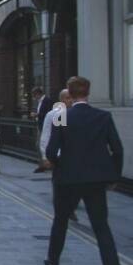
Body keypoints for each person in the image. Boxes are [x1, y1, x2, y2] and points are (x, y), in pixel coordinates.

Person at [44, 76, 124, 265]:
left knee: (61, 220)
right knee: (101, 225)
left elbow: (51, 151)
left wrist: (60, 164)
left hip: (67, 178)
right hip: (96, 180)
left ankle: (53, 259)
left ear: (69, 92)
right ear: (88, 92)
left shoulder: (62, 117)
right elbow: (117, 149)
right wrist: (114, 177)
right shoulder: (103, 117)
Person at [39, 89, 77, 221]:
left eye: (72, 97)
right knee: (59, 184)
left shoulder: (75, 114)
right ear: (61, 100)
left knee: (74, 184)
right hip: (58, 156)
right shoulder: (53, 115)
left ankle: (70, 207)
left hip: (73, 156)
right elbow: (46, 136)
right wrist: (45, 156)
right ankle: (63, 209)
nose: (70, 100)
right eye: (67, 98)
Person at [31, 87, 54, 173]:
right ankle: (44, 163)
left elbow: (48, 113)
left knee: (39, 144)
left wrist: (37, 115)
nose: (34, 97)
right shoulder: (39, 102)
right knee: (40, 144)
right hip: (40, 125)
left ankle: (43, 164)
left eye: (34, 95)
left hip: (45, 126)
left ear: (37, 94)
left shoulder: (47, 101)